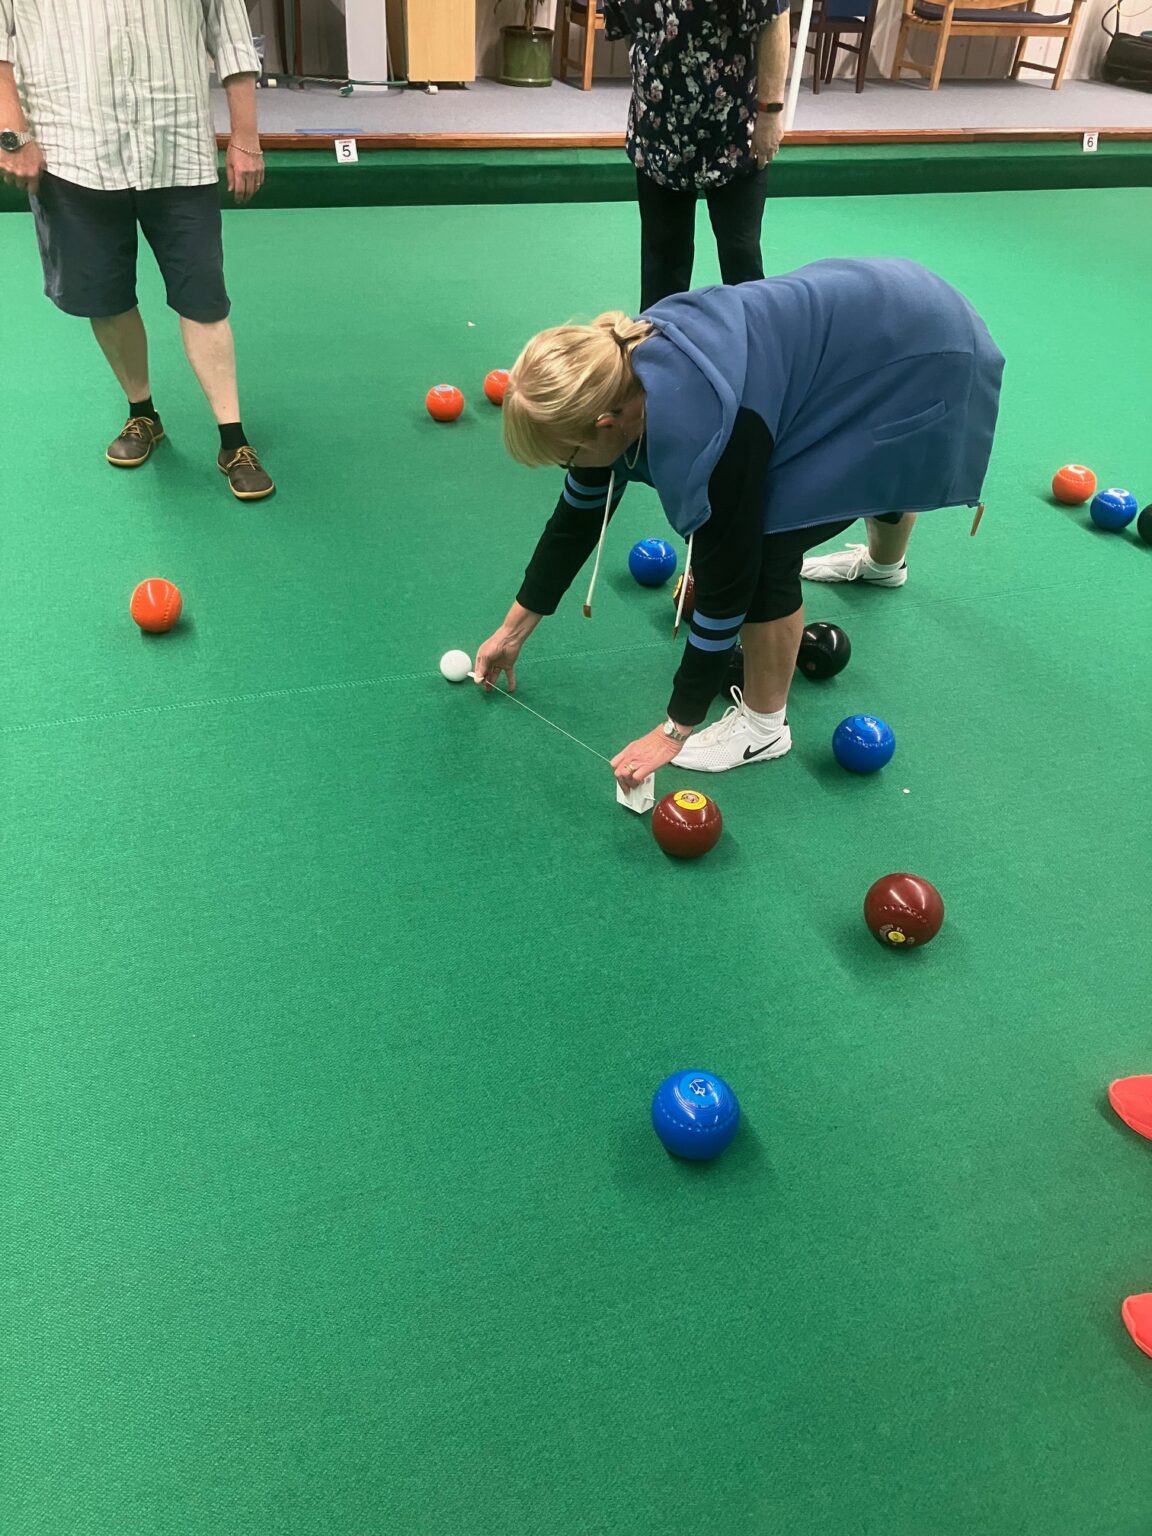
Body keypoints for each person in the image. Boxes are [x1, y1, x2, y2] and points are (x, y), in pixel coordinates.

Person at [473, 258, 1004, 791]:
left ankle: (763, 727)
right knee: (834, 471)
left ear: (605, 426)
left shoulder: (708, 430)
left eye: (565, 458)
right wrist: (512, 629)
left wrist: (675, 727)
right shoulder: (618, 375)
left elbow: (730, 579)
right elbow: (577, 516)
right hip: (881, 322)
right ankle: (884, 568)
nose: (567, 471)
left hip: (923, 352)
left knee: (772, 541)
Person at [0, 0, 274, 501]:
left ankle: (233, 440)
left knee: (204, 297)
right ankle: (142, 413)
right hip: (71, 149)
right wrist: (12, 135)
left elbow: (231, 34)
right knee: (103, 297)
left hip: (177, 144)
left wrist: (246, 136)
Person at [605, 0, 792, 310]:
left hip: (732, 128)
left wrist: (770, 112)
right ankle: (658, 350)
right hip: (658, 132)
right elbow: (629, 30)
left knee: (741, 258)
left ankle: (757, 349)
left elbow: (774, 19)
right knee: (661, 261)